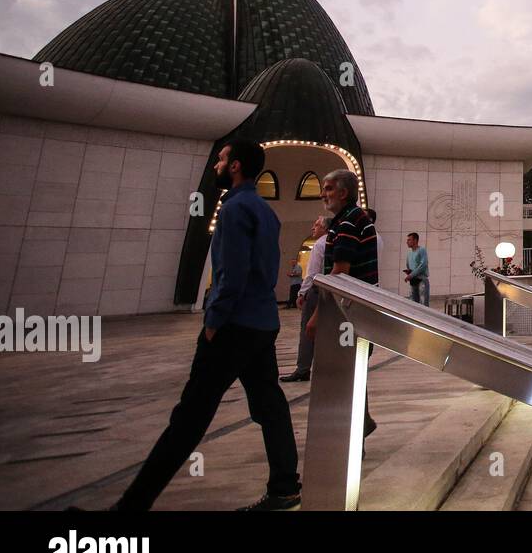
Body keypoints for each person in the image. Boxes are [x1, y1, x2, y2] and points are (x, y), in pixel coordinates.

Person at [112, 140, 300, 511]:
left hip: (233, 324)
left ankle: (131, 506)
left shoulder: (233, 209)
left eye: (223, 158)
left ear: (236, 166)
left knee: (190, 417)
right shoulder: (265, 211)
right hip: (263, 322)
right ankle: (284, 487)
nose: (217, 163)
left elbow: (232, 273)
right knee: (270, 406)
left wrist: (214, 321)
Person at [307, 171, 379, 443]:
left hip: (349, 312)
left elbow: (340, 273)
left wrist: (317, 315)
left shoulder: (348, 223)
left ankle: (352, 437)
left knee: (344, 372)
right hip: (358, 310)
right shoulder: (352, 220)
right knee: (351, 371)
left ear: (343, 192)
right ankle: (361, 423)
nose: (323, 194)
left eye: (327, 188)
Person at [280, 215, 328, 382]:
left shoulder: (320, 244)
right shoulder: (336, 242)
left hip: (316, 292)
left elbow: (312, 273)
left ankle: (303, 368)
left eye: (316, 225)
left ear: (325, 228)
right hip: (332, 294)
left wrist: (302, 293)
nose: (313, 228)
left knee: (307, 330)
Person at [405, 232, 429, 305]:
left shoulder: (422, 250)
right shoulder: (409, 254)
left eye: (409, 240)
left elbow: (423, 265)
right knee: (413, 303)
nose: (407, 242)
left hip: (421, 280)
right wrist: (409, 272)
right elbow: (408, 266)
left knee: (423, 303)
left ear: (415, 240)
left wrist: (411, 275)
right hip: (413, 281)